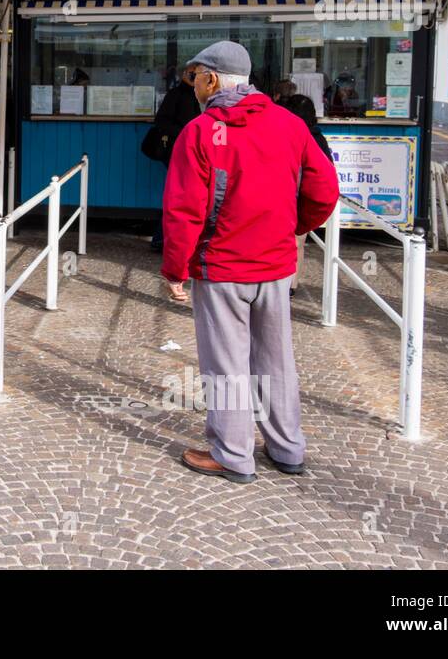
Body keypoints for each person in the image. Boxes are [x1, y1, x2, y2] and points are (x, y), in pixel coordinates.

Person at [161, 41, 339, 484]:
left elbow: (185, 209)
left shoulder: (201, 131)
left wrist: (175, 269)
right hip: (276, 266)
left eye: (197, 76)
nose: (195, 85)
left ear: (213, 79)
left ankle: (233, 455)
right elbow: (323, 191)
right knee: (276, 360)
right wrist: (293, 229)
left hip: (221, 267)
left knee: (226, 364)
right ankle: (287, 447)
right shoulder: (290, 124)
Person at [278, 93, 334, 294]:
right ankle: (292, 286)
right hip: (304, 199)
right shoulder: (318, 138)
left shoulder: (285, 134)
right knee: (298, 242)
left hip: (285, 197)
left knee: (281, 243)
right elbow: (326, 171)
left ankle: (280, 284)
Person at [143, 62, 201, 253]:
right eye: (192, 73)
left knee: (181, 194)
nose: (194, 76)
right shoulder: (176, 95)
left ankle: (164, 238)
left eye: (197, 73)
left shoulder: (199, 95)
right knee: (179, 195)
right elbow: (162, 121)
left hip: (191, 150)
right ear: (184, 74)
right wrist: (186, 132)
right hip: (177, 151)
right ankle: (161, 238)